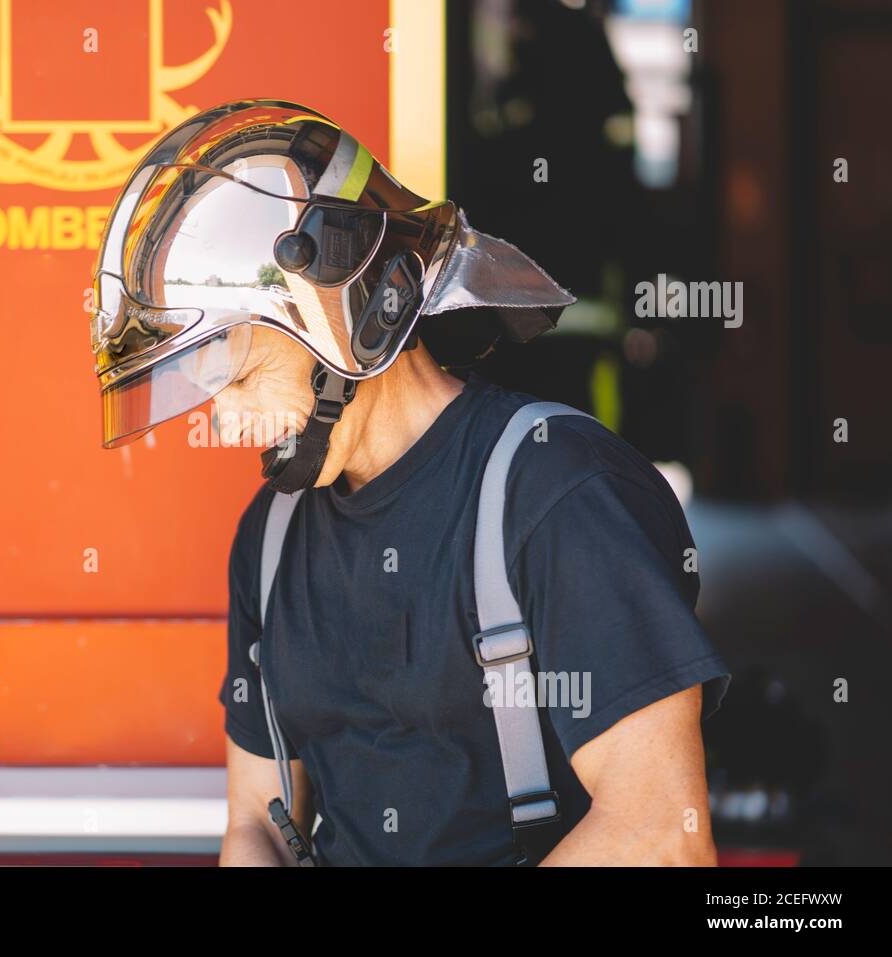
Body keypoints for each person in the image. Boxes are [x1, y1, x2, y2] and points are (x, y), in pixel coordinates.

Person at [90, 100, 730, 866]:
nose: (223, 421)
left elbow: (659, 835)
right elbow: (257, 824)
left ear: (343, 307)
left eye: (237, 372)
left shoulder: (559, 491)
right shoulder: (270, 537)